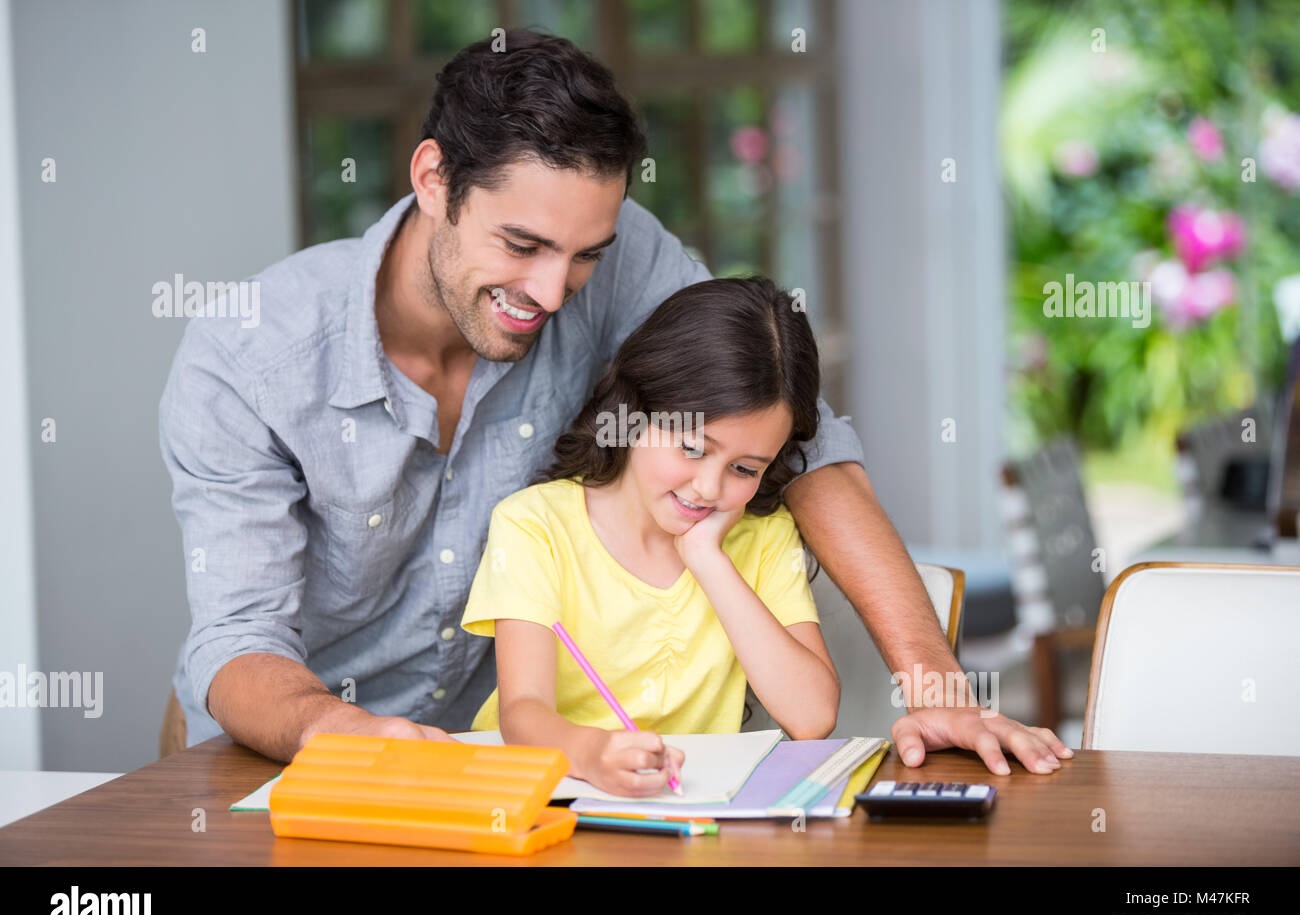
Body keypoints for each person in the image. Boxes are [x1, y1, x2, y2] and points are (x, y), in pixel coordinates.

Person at [159, 29, 1071, 776]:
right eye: (521, 245)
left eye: (585, 255)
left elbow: (800, 443)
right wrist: (342, 733)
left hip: (510, 776)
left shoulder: (621, 253)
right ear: (434, 178)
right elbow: (236, 640)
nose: (555, 293)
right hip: (286, 754)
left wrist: (937, 687)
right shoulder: (248, 360)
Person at [462, 277, 838, 796]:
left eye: (746, 469)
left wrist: (708, 558)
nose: (709, 488)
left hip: (683, 812)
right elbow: (523, 711)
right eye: (691, 448)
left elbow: (812, 715)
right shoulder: (534, 527)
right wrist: (593, 754)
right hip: (542, 800)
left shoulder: (763, 537)